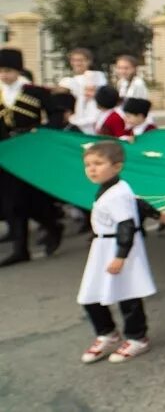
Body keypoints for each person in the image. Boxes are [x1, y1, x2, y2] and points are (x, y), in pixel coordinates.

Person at [77, 141, 156, 363]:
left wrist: (120, 256)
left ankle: (137, 337)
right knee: (90, 294)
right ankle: (107, 333)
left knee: (127, 294)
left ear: (117, 166)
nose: (91, 169)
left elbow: (126, 225)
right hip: (103, 247)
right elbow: (139, 204)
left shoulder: (117, 194)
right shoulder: (111, 189)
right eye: (88, 164)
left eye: (98, 163)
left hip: (118, 248)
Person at [1, 48, 63, 266]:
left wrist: (44, 130)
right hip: (5, 153)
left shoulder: (35, 91)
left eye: (8, 70)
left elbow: (57, 113)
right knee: (10, 202)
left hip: (30, 151)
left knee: (31, 199)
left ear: (18, 70)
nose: (3, 75)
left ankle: (53, 226)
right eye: (0, 71)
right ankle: (20, 249)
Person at [59, 48, 107, 134]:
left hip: (95, 120)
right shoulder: (70, 80)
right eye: (74, 60)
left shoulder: (98, 77)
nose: (77, 63)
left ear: (89, 61)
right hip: (78, 119)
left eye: (81, 60)